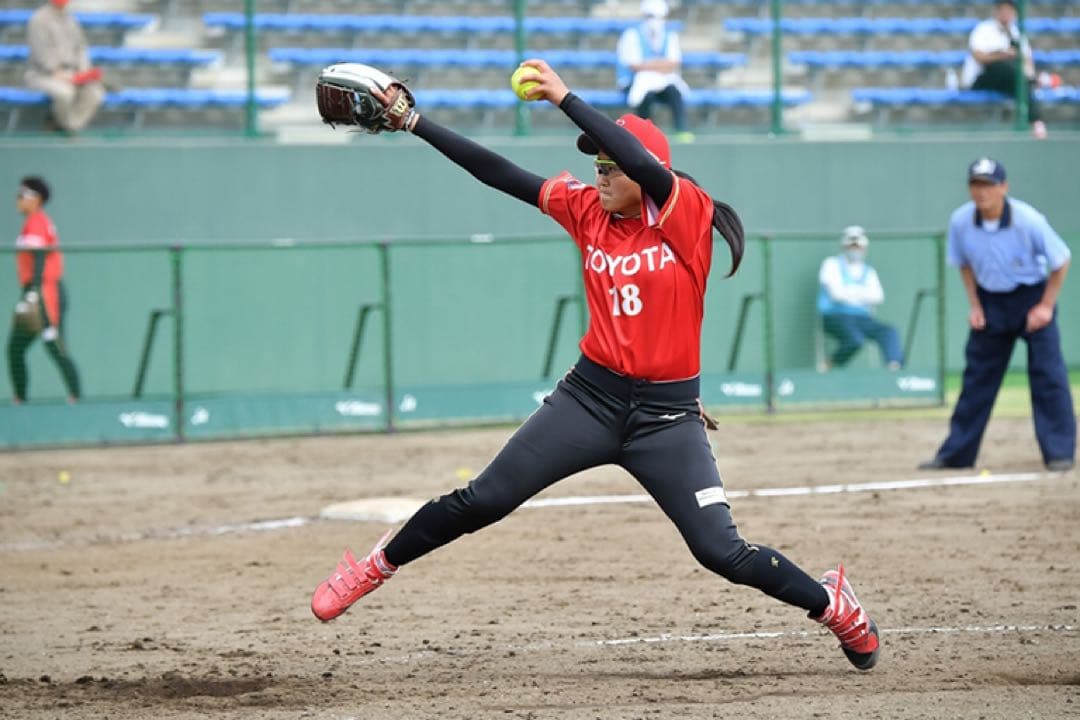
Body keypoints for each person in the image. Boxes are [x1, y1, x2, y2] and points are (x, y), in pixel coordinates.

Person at [309, 59, 881, 672]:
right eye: (595, 164)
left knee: (722, 551)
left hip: (665, 419)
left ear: (645, 171)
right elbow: (500, 173)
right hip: (589, 401)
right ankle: (374, 565)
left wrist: (564, 98)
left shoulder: (684, 217)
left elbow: (638, 162)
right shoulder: (587, 211)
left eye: (610, 164)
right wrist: (416, 122)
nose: (600, 173)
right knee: (485, 497)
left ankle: (833, 605)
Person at [919, 158, 1073, 473]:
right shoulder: (961, 221)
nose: (982, 191)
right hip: (990, 300)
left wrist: (1045, 306)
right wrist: (975, 305)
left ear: (1004, 187)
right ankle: (957, 454)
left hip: (1031, 296)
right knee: (976, 380)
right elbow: (963, 263)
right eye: (976, 184)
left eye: (989, 184)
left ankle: (1059, 452)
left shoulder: (1027, 220)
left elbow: (1061, 260)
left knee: (1049, 377)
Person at [8, 176, 81, 405]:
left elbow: (39, 256)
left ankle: (76, 398)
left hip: (45, 292)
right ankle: (20, 399)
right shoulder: (31, 222)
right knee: (16, 348)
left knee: (55, 345)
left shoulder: (38, 221)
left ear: (36, 199)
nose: (18, 199)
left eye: (23, 194)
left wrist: (35, 292)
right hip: (34, 291)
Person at [817, 225, 903, 371]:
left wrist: (849, 292)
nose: (855, 250)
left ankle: (894, 368)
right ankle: (830, 365)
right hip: (835, 317)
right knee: (855, 340)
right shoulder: (831, 264)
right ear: (844, 246)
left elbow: (877, 296)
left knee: (889, 332)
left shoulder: (868, 271)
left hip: (863, 318)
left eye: (858, 247)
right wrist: (862, 293)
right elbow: (836, 295)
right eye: (852, 246)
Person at [959, 0, 1045, 139]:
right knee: (1002, 67)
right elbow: (979, 56)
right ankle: (1035, 114)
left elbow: (1027, 59)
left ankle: (1036, 121)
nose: (1006, 14)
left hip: (1007, 79)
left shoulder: (1016, 32)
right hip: (981, 78)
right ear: (997, 11)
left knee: (1021, 79)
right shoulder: (984, 29)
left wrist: (1028, 72)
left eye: (1009, 11)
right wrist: (1003, 55)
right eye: (1003, 10)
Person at [615, 0, 693, 142]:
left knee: (674, 92)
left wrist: (650, 66)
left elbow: (674, 62)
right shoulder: (632, 35)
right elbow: (634, 65)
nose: (655, 21)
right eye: (651, 16)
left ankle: (681, 130)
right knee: (647, 96)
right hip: (632, 83)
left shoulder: (669, 36)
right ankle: (646, 136)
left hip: (662, 83)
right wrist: (660, 65)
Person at [25, 0, 105, 134]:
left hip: (73, 73)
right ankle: (68, 127)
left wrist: (83, 71)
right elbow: (41, 53)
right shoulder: (39, 19)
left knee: (95, 93)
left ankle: (69, 125)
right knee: (65, 93)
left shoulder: (71, 19)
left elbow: (81, 48)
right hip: (42, 75)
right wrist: (57, 72)